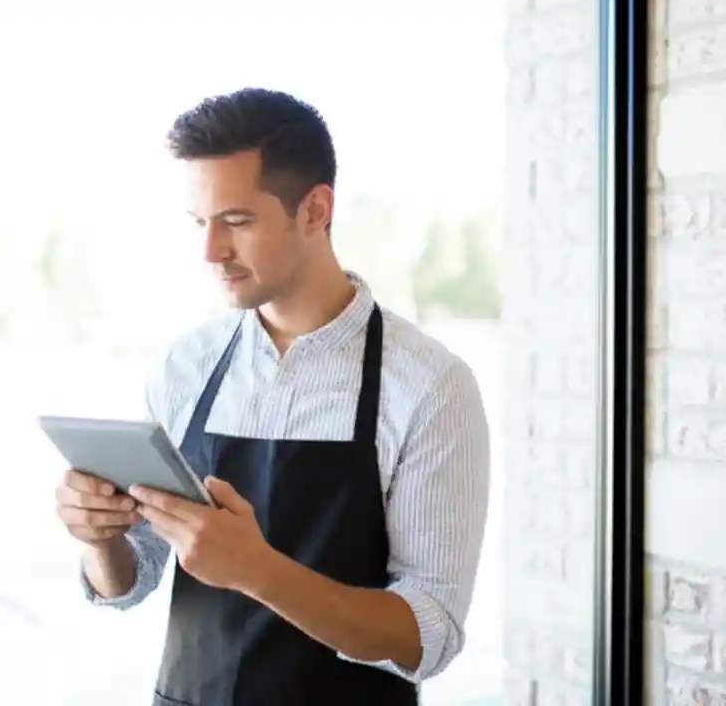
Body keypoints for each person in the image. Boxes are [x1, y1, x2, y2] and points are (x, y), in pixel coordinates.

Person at [53, 87, 490, 705]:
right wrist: (101, 539)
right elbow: (133, 576)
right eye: (200, 224)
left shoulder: (429, 387)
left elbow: (429, 636)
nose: (211, 252)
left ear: (314, 211)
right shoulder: (186, 366)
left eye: (236, 222)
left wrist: (258, 571)